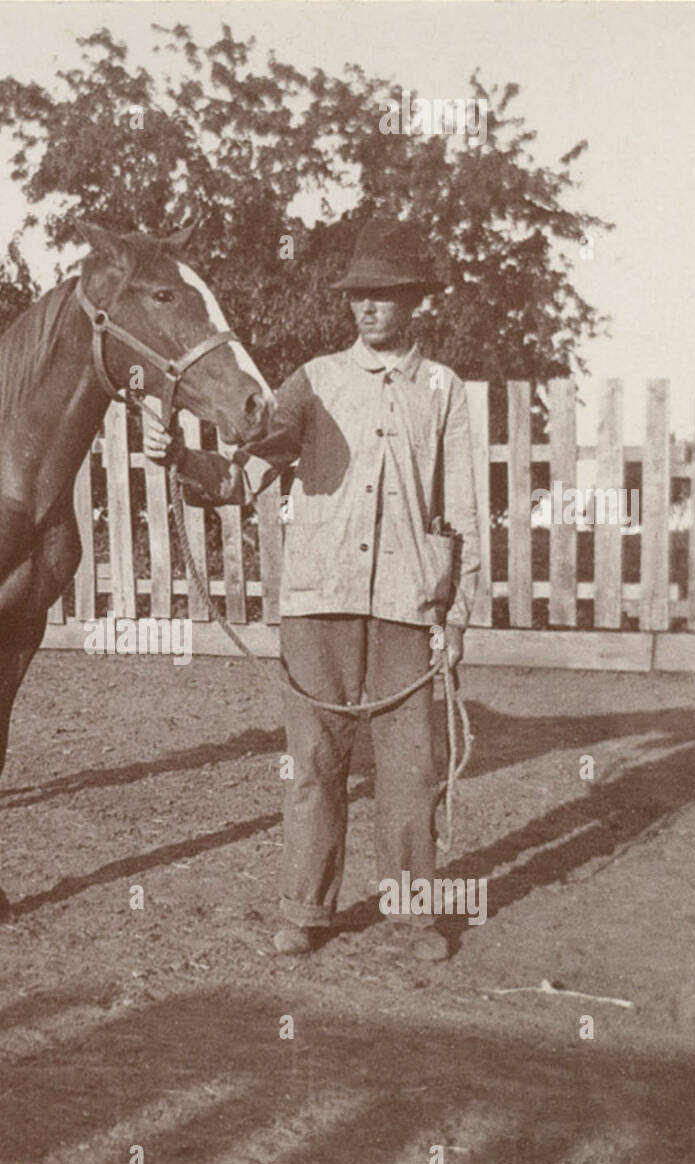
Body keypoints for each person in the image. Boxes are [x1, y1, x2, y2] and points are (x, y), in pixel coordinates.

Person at [144, 219, 480, 958]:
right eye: (359, 295)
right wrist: (184, 462)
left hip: (405, 605)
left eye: (384, 297)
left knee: (409, 771)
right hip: (316, 603)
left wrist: (457, 615)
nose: (368, 309)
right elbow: (245, 470)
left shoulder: (443, 390)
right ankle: (306, 909)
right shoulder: (314, 381)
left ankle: (417, 913)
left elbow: (463, 509)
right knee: (314, 767)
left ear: (414, 301)